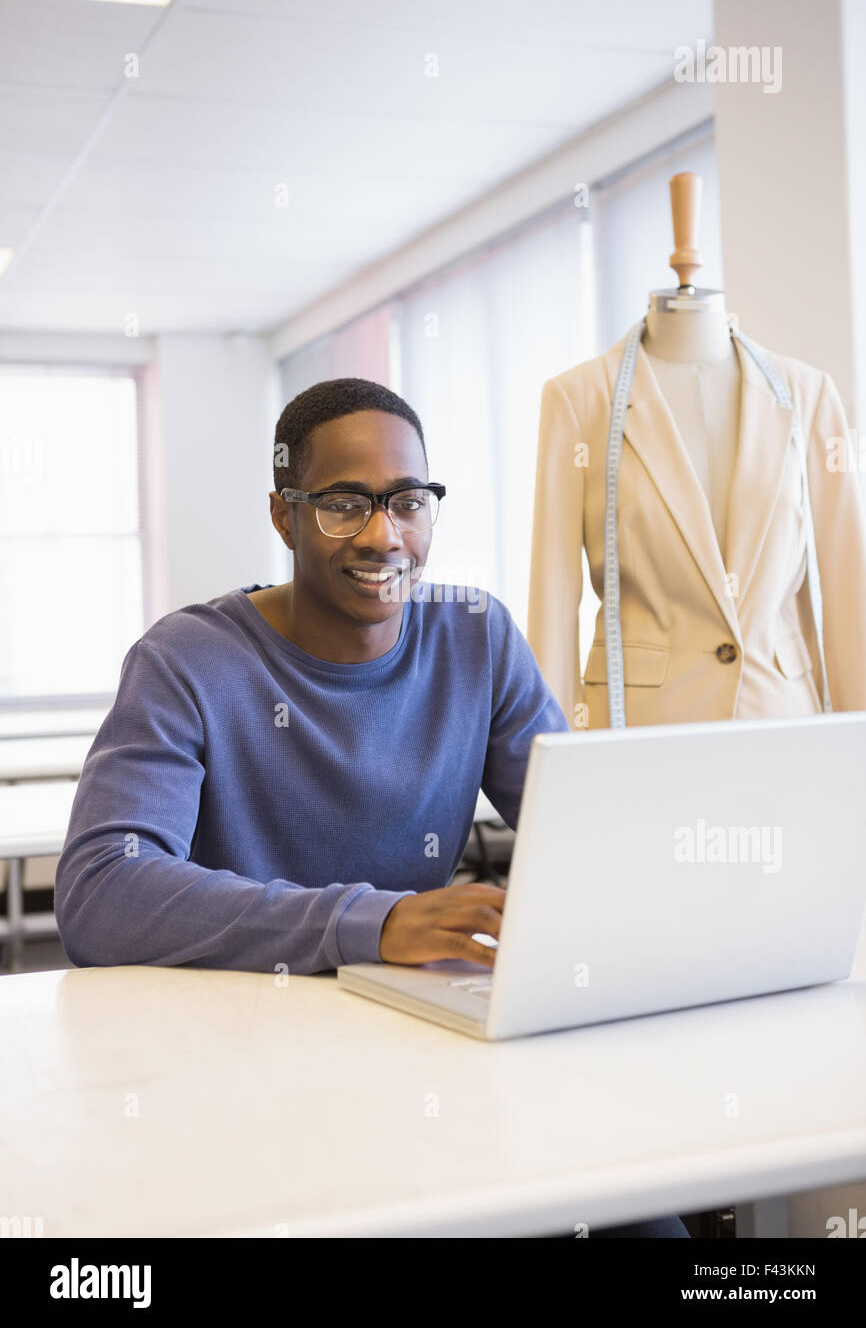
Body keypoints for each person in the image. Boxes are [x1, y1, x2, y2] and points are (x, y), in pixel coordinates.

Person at [54, 376, 689, 1239]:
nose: (385, 535)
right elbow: (101, 892)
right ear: (284, 514)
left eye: (408, 501)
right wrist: (374, 923)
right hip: (233, 1065)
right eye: (345, 504)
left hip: (425, 1042)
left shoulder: (477, 637)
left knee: (641, 1206)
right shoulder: (187, 660)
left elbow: (581, 834)